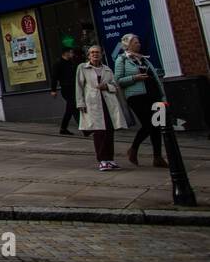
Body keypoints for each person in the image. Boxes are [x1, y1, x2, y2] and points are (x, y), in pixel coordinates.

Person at [113, 33, 168, 169]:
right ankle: (133, 149)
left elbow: (155, 78)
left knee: (158, 125)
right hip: (136, 96)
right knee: (149, 124)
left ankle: (157, 157)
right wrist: (134, 78)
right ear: (128, 45)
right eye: (135, 42)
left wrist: (163, 96)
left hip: (153, 95)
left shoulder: (144, 59)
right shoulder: (122, 60)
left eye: (138, 42)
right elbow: (118, 80)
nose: (139, 44)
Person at [76, 43, 130, 171]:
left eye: (97, 52)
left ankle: (110, 159)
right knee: (99, 132)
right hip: (92, 104)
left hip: (108, 103)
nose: (95, 54)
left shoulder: (107, 69)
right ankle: (102, 160)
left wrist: (107, 87)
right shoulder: (83, 68)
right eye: (92, 52)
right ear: (88, 55)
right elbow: (79, 86)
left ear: (101, 54)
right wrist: (80, 103)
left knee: (109, 131)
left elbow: (115, 86)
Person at [49, 37, 80, 136]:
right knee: (73, 107)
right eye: (71, 52)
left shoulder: (71, 62)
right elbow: (54, 77)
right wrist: (53, 90)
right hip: (66, 88)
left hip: (74, 87)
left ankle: (63, 128)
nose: (72, 54)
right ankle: (84, 129)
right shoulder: (58, 64)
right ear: (65, 53)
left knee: (71, 108)